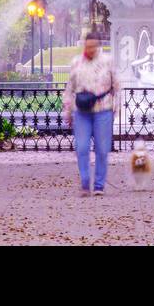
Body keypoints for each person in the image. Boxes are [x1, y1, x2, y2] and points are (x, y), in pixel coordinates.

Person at [62, 32, 121, 195]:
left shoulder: (107, 61)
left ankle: (99, 185)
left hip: (103, 109)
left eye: (93, 46)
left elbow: (116, 86)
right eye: (87, 46)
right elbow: (69, 88)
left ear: (99, 46)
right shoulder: (77, 62)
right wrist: (67, 110)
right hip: (81, 110)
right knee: (82, 148)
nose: (90, 50)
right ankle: (85, 182)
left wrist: (117, 107)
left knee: (102, 149)